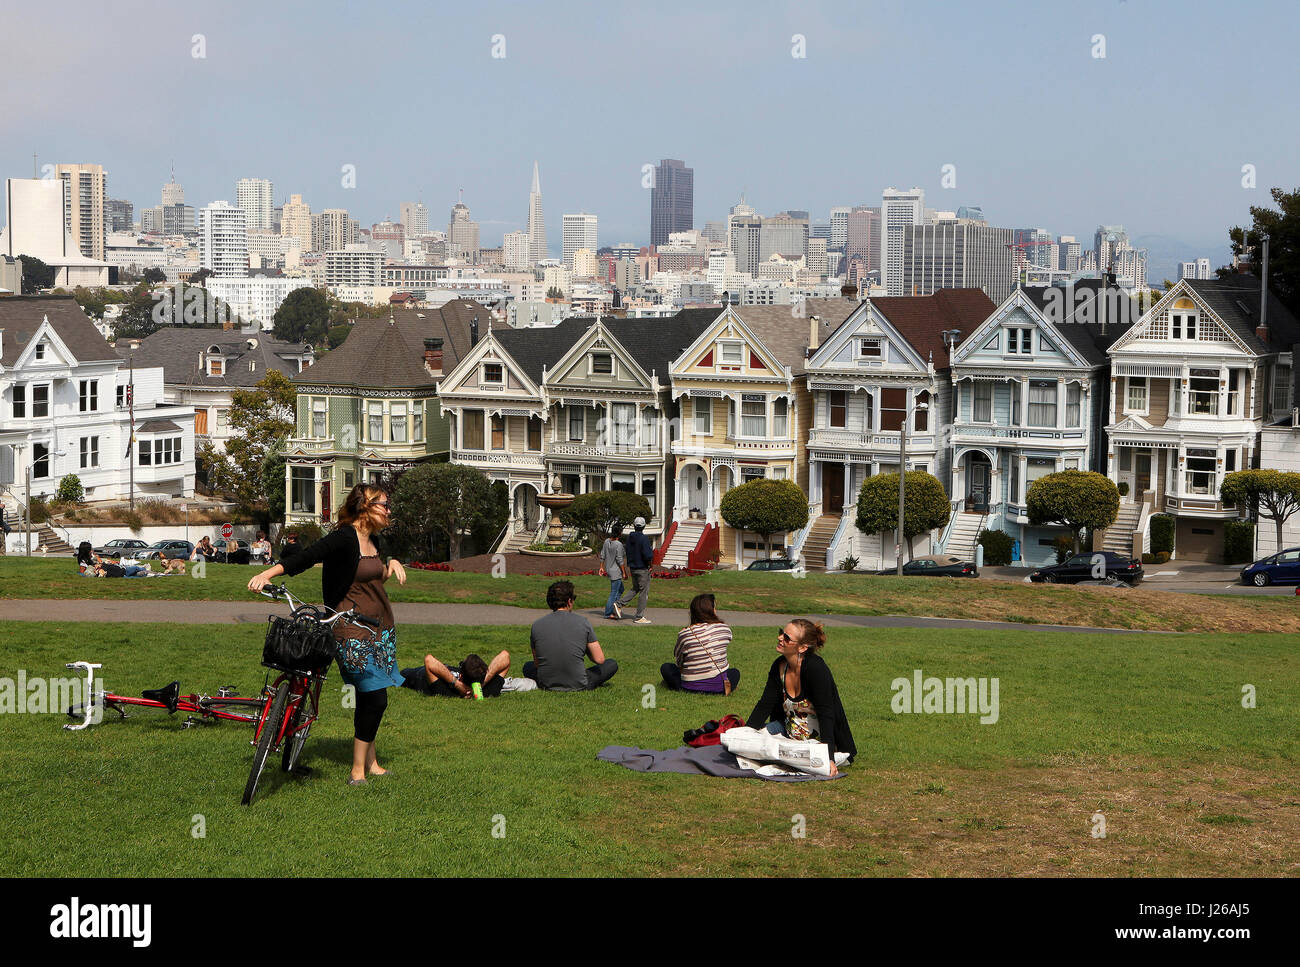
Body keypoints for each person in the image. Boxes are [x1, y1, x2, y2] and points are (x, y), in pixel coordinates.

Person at [248, 485, 407, 785]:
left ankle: (371, 763)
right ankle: (357, 771)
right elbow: (307, 557)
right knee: (376, 698)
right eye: (384, 505)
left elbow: (376, 575)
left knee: (368, 695)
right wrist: (267, 574)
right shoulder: (344, 537)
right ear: (365, 507)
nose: (388, 511)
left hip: (378, 627)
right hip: (349, 627)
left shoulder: (373, 538)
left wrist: (392, 564)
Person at [746, 619, 855, 776]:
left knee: (782, 755)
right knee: (750, 739)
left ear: (803, 647)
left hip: (817, 744)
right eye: (781, 633)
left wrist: (829, 759)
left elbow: (826, 714)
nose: (780, 638)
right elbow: (765, 704)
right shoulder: (779, 666)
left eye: (787, 637)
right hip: (787, 735)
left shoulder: (816, 668)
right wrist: (745, 734)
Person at [524, 580, 618, 690]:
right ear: (569, 601)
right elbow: (600, 659)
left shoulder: (536, 625)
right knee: (611, 664)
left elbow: (537, 663)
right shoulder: (583, 622)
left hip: (546, 682)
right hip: (578, 683)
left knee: (527, 666)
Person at [661, 593, 739, 695]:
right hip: (720, 687)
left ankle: (680, 685)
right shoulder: (724, 628)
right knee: (735, 672)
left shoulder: (685, 633)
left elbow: (679, 662)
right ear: (711, 611)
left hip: (690, 687)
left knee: (666, 668)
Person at [400, 650, 535, 697]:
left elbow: (429, 660)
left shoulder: (445, 689)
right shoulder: (490, 690)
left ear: (462, 675)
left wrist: (456, 684)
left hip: (416, 675)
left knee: (401, 673)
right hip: (445, 671)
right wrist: (484, 682)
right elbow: (505, 656)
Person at [616, 516, 653, 624]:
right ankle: (639, 616)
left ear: (634, 526)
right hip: (642, 568)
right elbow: (648, 555)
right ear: (644, 526)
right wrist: (650, 565)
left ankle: (619, 604)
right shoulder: (644, 538)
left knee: (635, 588)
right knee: (643, 592)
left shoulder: (629, 538)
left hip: (633, 567)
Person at [599, 524, 629, 620]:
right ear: (619, 533)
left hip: (609, 569)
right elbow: (620, 559)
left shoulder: (607, 541)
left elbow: (602, 554)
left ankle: (615, 607)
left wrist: (601, 567)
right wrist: (624, 572)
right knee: (614, 592)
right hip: (616, 571)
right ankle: (608, 612)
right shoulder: (618, 544)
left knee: (620, 589)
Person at [76, 542, 151, 578]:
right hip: (114, 570)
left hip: (113, 569)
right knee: (135, 568)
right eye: (90, 549)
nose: (92, 551)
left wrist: (97, 559)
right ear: (87, 551)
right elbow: (83, 573)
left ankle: (141, 571)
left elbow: (99, 563)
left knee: (132, 569)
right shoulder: (83, 562)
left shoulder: (90, 559)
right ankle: (145, 568)